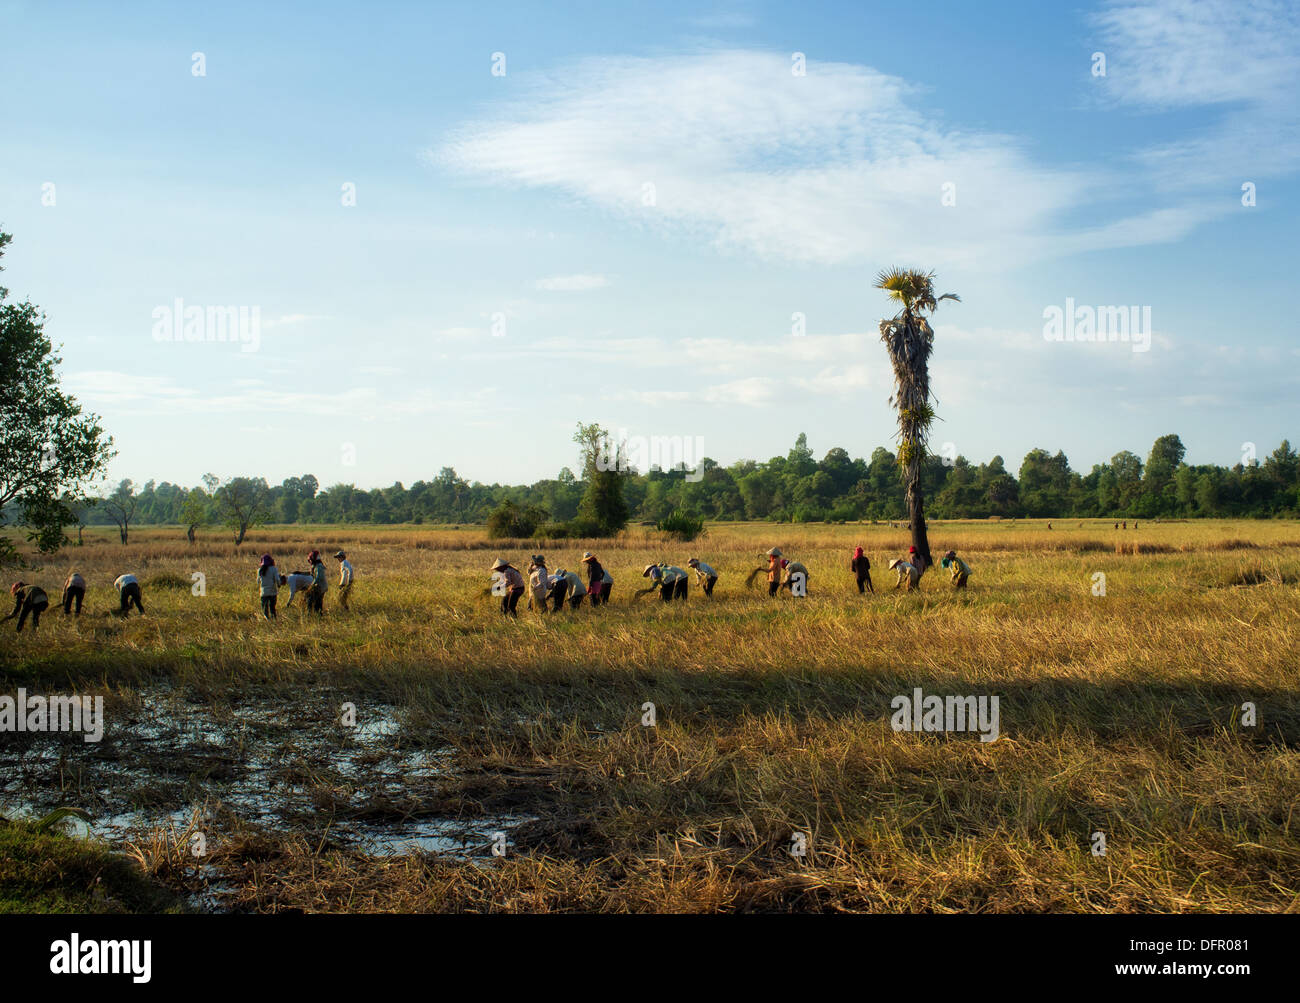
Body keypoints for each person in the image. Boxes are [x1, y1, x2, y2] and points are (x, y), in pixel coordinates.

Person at [258, 554, 279, 620]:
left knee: (265, 609)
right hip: (272, 591)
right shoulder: (274, 569)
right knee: (272, 608)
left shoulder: (259, 570)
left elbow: (258, 581)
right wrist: (279, 584)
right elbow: (277, 579)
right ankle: (274, 621)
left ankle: (267, 620)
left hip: (264, 592)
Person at [307, 550, 327, 614]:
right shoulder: (318, 565)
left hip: (320, 587)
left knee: (311, 602)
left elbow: (318, 577)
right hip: (321, 587)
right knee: (318, 603)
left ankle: (310, 615)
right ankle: (319, 616)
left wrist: (312, 585)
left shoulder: (318, 566)